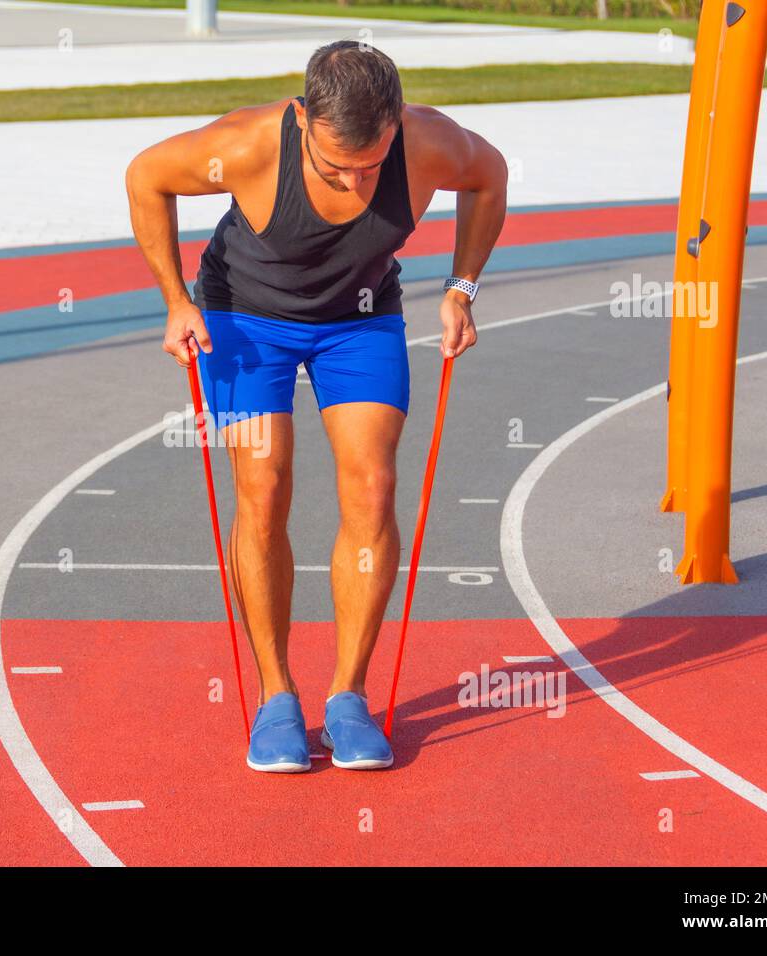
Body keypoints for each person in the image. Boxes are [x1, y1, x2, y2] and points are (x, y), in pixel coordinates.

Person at [125, 39, 507, 772]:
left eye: (372, 167)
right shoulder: (245, 145)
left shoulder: (428, 142)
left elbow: (489, 178)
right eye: (337, 167)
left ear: (395, 124)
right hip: (245, 317)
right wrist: (175, 301)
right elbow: (145, 177)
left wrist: (463, 288)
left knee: (373, 485)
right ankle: (276, 697)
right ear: (303, 120)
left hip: (360, 320)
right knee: (263, 489)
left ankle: (348, 697)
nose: (358, 183)